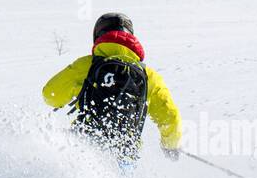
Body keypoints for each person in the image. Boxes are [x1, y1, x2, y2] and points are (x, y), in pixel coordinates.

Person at [42, 12, 181, 164]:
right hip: (124, 154)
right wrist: (170, 145)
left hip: (83, 145)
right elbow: (170, 116)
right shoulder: (149, 76)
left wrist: (76, 92)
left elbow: (50, 94)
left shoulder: (87, 65)